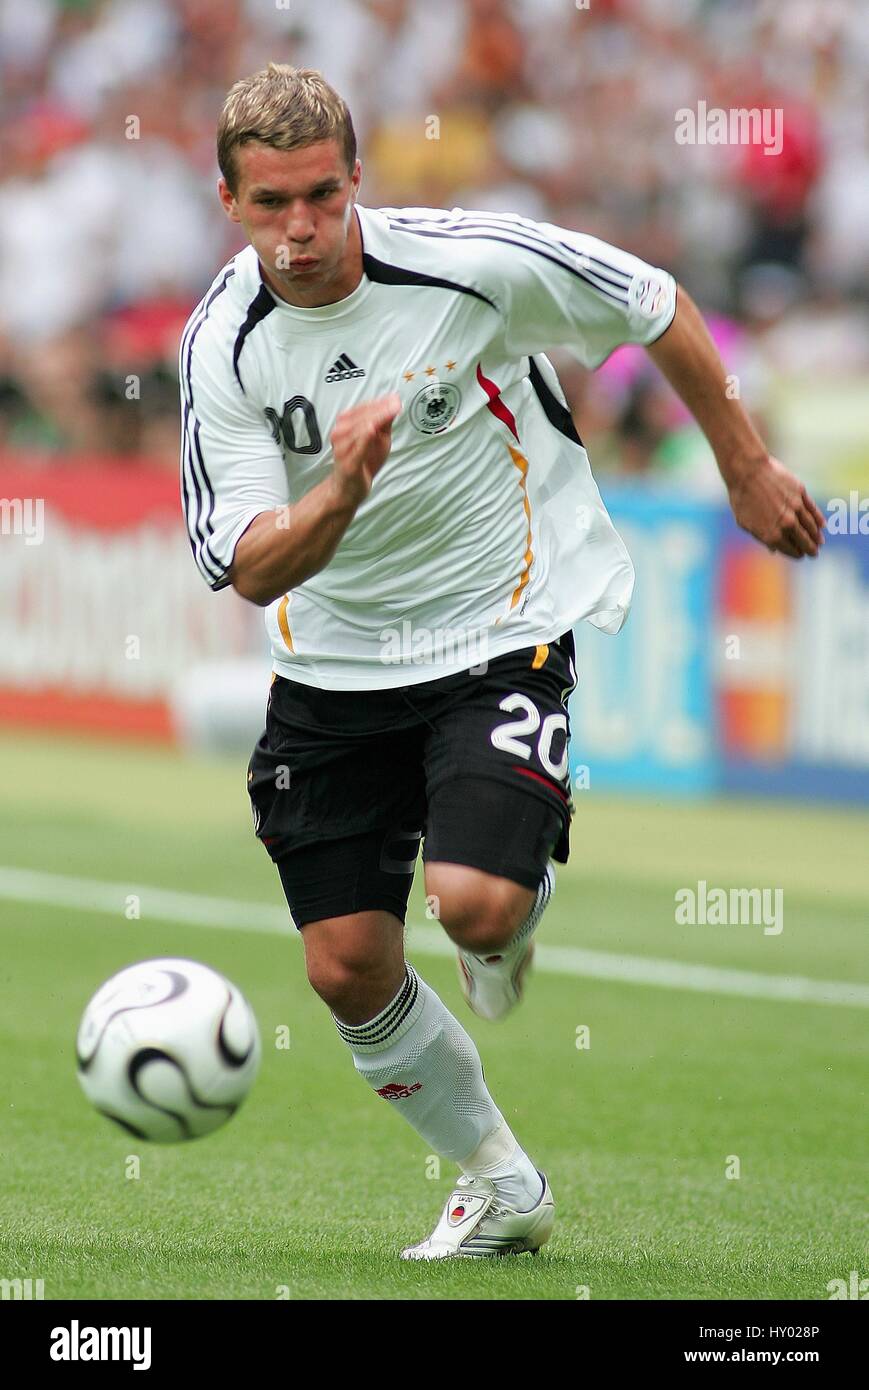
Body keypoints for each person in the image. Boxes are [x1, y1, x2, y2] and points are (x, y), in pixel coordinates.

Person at [179, 64, 824, 1261]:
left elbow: (651, 299)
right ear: (229, 201)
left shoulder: (463, 261)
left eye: (322, 194)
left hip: (497, 624)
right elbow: (256, 566)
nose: (303, 228)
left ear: (358, 177)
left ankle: (513, 879)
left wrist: (741, 463)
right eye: (271, 205)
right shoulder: (223, 345)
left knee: (475, 907)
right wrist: (344, 491)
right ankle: (497, 1180)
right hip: (330, 664)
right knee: (343, 967)